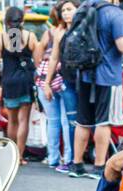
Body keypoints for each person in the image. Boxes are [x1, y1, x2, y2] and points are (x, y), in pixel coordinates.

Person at [71, 0, 123, 177]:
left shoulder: (82, 9)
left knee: (83, 122)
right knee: (103, 122)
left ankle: (77, 164)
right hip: (107, 76)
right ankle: (99, 166)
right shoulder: (114, 13)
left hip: (84, 74)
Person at [0, 6, 36, 164]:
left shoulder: (1, 38)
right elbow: (36, 61)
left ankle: (11, 156)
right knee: (24, 120)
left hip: (8, 82)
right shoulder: (30, 37)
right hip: (25, 82)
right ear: (22, 21)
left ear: (6, 22)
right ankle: (20, 156)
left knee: (12, 120)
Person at [39, 0, 78, 172]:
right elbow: (50, 56)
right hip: (59, 81)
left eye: (69, 9)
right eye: (64, 10)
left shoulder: (52, 32)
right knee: (61, 121)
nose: (66, 13)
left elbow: (38, 54)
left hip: (58, 80)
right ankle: (62, 158)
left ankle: (57, 158)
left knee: (59, 121)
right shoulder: (56, 32)